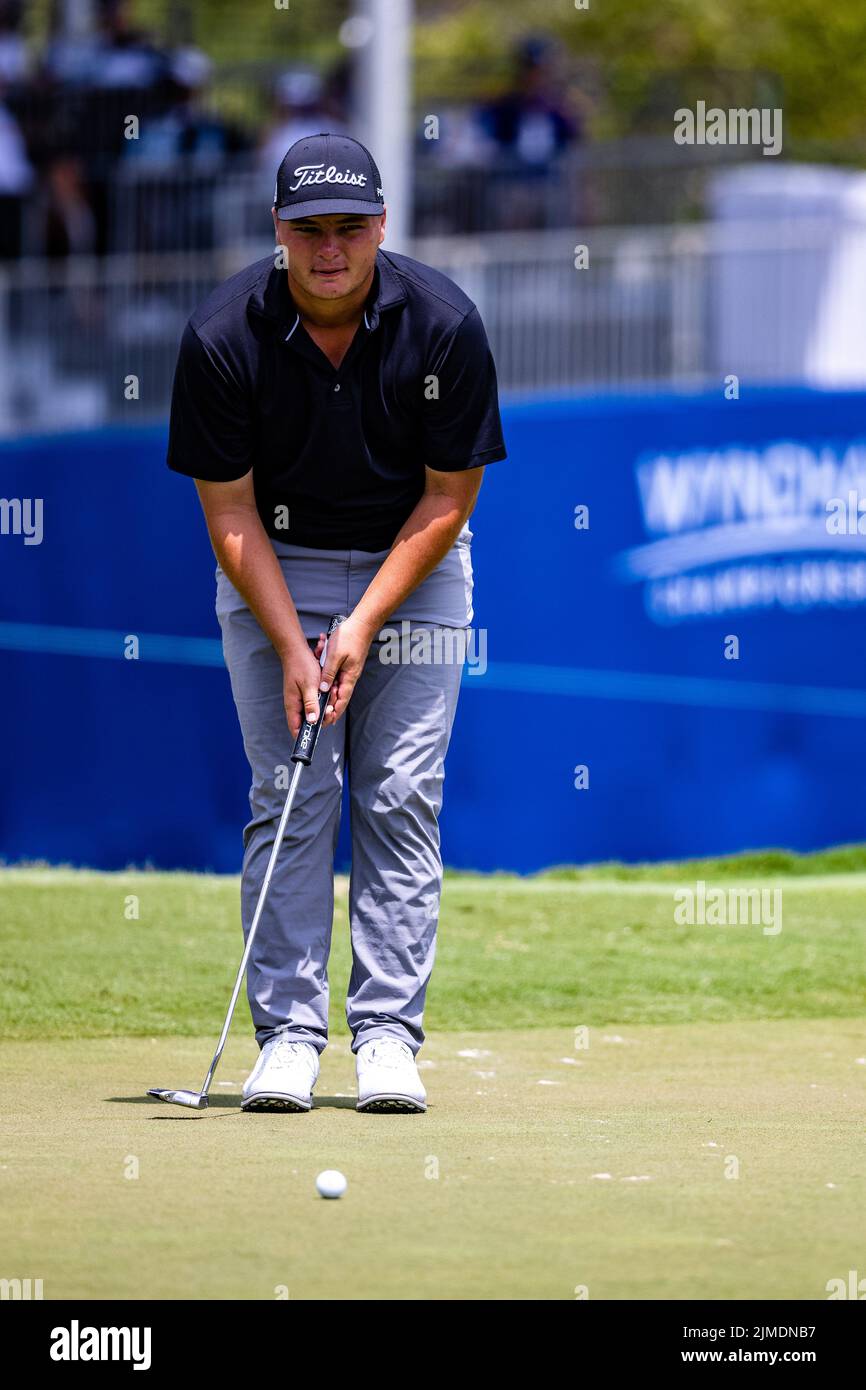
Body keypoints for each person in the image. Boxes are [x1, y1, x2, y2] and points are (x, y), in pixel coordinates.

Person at [166, 133, 506, 1114]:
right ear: (277, 230)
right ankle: (287, 1040)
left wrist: (358, 624)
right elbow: (228, 513)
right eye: (307, 229)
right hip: (275, 567)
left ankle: (388, 1038)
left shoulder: (442, 324)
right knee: (291, 795)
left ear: (380, 226)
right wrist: (290, 641)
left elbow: (448, 500)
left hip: (417, 565)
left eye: (348, 227)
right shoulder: (223, 335)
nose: (329, 248)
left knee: (399, 792)